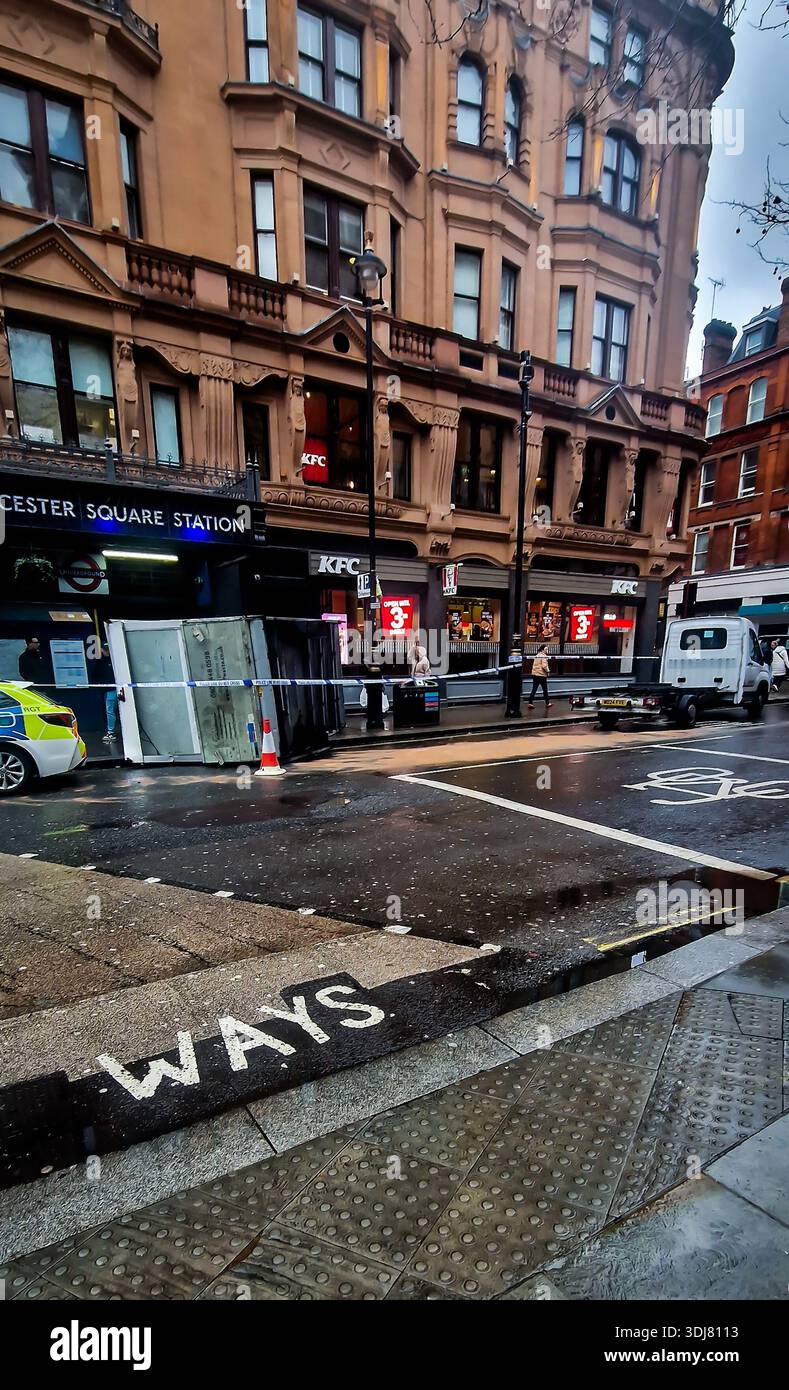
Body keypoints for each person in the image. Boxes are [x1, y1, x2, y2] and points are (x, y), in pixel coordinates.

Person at [94, 642, 119, 742]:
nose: (106, 651)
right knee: (111, 711)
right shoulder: (101, 663)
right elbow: (95, 675)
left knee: (111, 711)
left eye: (107, 649)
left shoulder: (115, 662)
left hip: (113, 690)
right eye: (105, 649)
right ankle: (111, 731)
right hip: (107, 690)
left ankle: (111, 732)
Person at [528, 644, 553, 709]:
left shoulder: (537, 655)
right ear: (542, 650)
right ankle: (547, 703)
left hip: (535, 674)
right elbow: (544, 666)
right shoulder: (544, 656)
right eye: (546, 649)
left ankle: (530, 702)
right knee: (545, 690)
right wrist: (548, 671)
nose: (547, 650)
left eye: (547, 649)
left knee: (534, 689)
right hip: (541, 675)